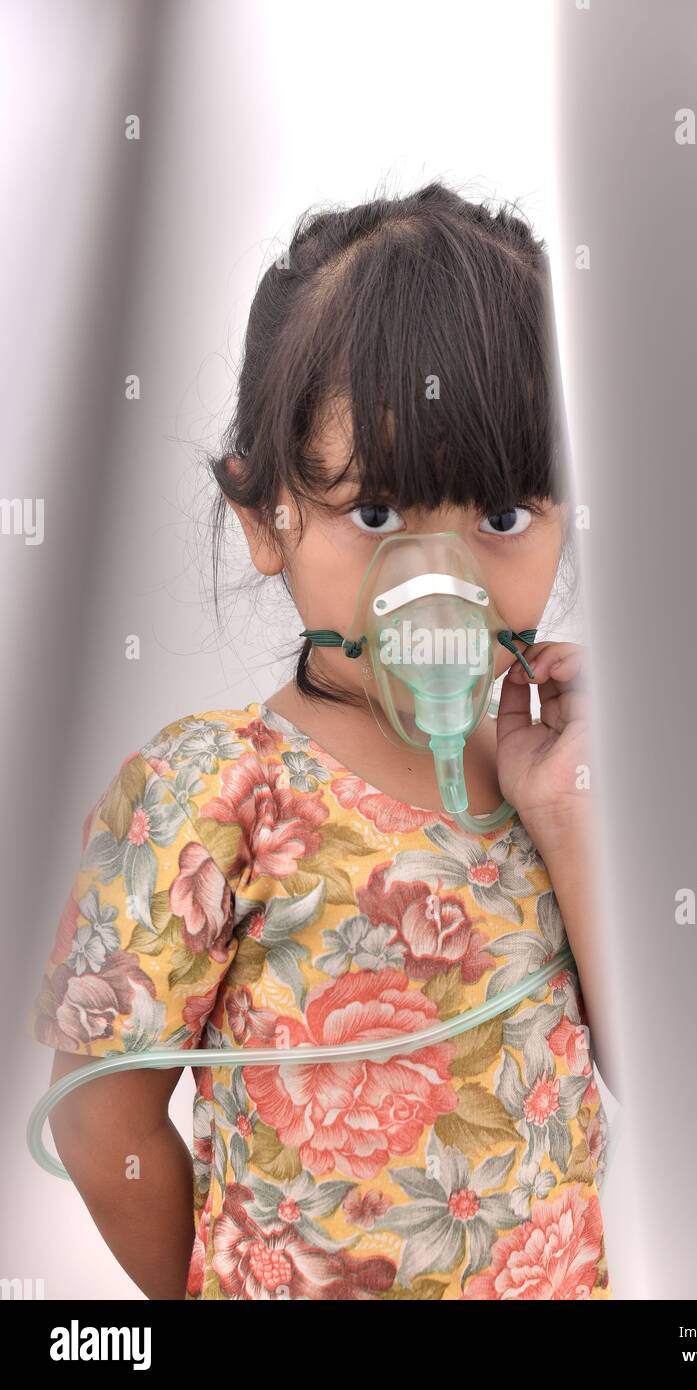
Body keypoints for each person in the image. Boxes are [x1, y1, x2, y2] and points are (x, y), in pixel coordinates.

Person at [27, 180, 616, 1300]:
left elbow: (654, 1076)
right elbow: (104, 1126)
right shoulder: (209, 791)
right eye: (379, 515)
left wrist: (569, 820)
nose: (440, 580)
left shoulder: (566, 773)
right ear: (264, 517)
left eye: (501, 518)